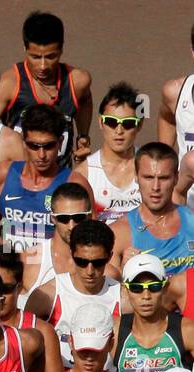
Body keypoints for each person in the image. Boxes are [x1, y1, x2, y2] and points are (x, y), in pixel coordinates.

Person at [0, 105, 93, 254]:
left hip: (51, 271)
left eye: (49, 146)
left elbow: (92, 233)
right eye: (34, 146)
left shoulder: (75, 184)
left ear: (60, 142)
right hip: (10, 269)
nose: (41, 155)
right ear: (24, 142)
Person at [0, 10, 93, 168]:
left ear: (61, 50)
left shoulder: (78, 81)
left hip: (61, 179)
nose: (43, 66)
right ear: (25, 48)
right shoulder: (9, 84)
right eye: (35, 57)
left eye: (51, 57)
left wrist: (83, 135)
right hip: (21, 178)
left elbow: (85, 100)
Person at [113, 253, 194, 372]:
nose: (146, 295)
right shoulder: (115, 330)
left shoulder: (187, 330)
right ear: (125, 290)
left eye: (154, 287)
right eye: (137, 288)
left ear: (165, 288)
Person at [24, 219, 122, 367]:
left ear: (109, 257)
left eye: (97, 263)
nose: (90, 271)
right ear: (72, 254)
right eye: (82, 262)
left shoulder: (122, 297)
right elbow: (24, 345)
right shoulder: (46, 295)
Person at [107, 142, 194, 287]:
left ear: (176, 178)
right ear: (136, 177)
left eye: (164, 178)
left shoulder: (192, 222)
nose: (155, 187)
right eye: (148, 177)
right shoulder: (118, 233)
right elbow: (110, 297)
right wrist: (124, 271)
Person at [16, 182, 97, 302]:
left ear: (89, 217)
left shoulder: (103, 264)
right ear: (53, 218)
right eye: (63, 218)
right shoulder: (27, 262)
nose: (71, 226)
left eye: (78, 218)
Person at [77, 83, 143, 225]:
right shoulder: (84, 173)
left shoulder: (150, 167)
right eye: (111, 122)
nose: (119, 131)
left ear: (140, 124)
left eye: (128, 123)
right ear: (101, 122)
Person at [157, 24, 194, 159]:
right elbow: (166, 118)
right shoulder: (174, 92)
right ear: (192, 52)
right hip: (187, 180)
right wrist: (163, 157)